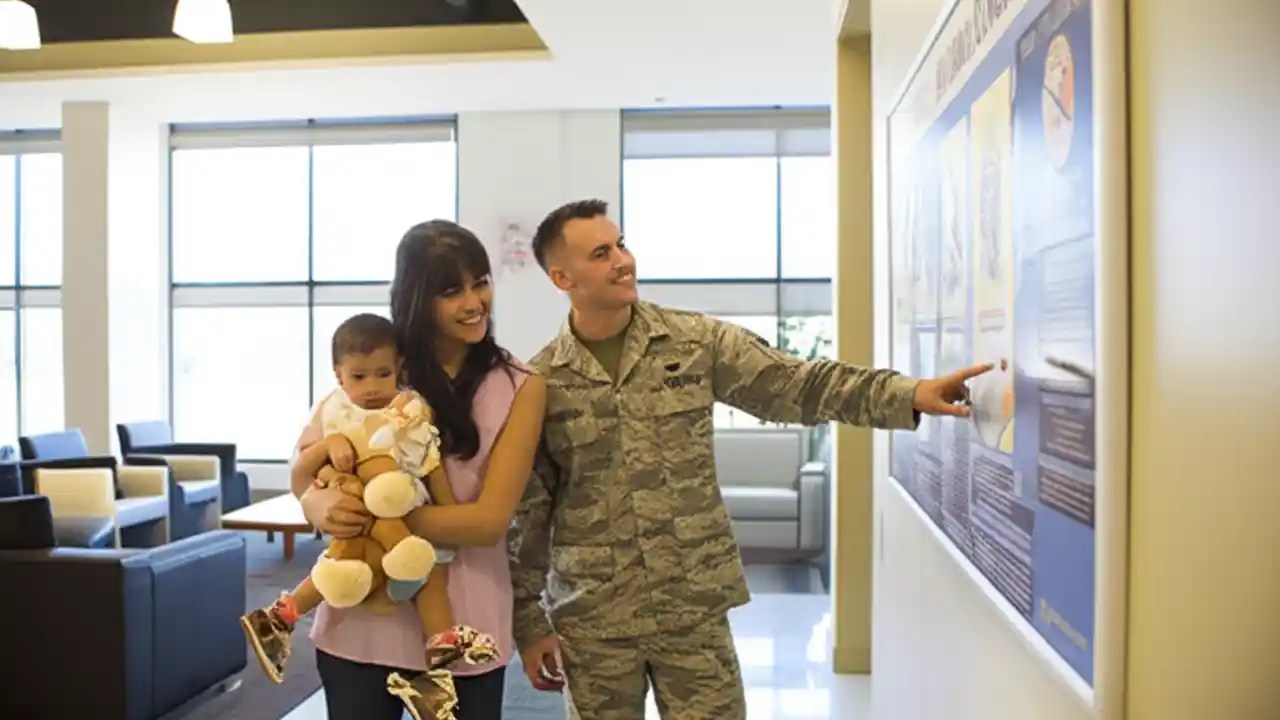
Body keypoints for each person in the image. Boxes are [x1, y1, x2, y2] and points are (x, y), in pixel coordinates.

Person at [508, 199, 993, 719]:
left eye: (621, 244)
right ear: (562, 277)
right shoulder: (542, 382)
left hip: (691, 608)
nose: (623, 260)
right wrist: (529, 621)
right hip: (593, 617)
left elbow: (798, 383)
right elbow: (530, 511)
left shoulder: (695, 342)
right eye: (601, 253)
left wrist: (908, 393)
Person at [294, 220, 546, 720]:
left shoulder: (521, 385)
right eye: (451, 291)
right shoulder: (375, 370)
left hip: (462, 625)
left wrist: (375, 516)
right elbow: (306, 473)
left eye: (481, 282)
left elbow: (487, 523)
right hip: (363, 615)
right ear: (414, 297)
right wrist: (317, 502)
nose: (475, 302)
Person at [241, 313, 497, 687]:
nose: (372, 387)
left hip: (402, 507)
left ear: (400, 368)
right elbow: (306, 466)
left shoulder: (409, 410)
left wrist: (448, 513)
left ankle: (439, 649)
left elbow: (429, 461)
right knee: (343, 561)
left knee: (430, 574)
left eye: (383, 374)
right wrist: (331, 452)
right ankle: (283, 614)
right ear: (338, 373)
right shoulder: (333, 408)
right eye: (359, 377)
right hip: (358, 506)